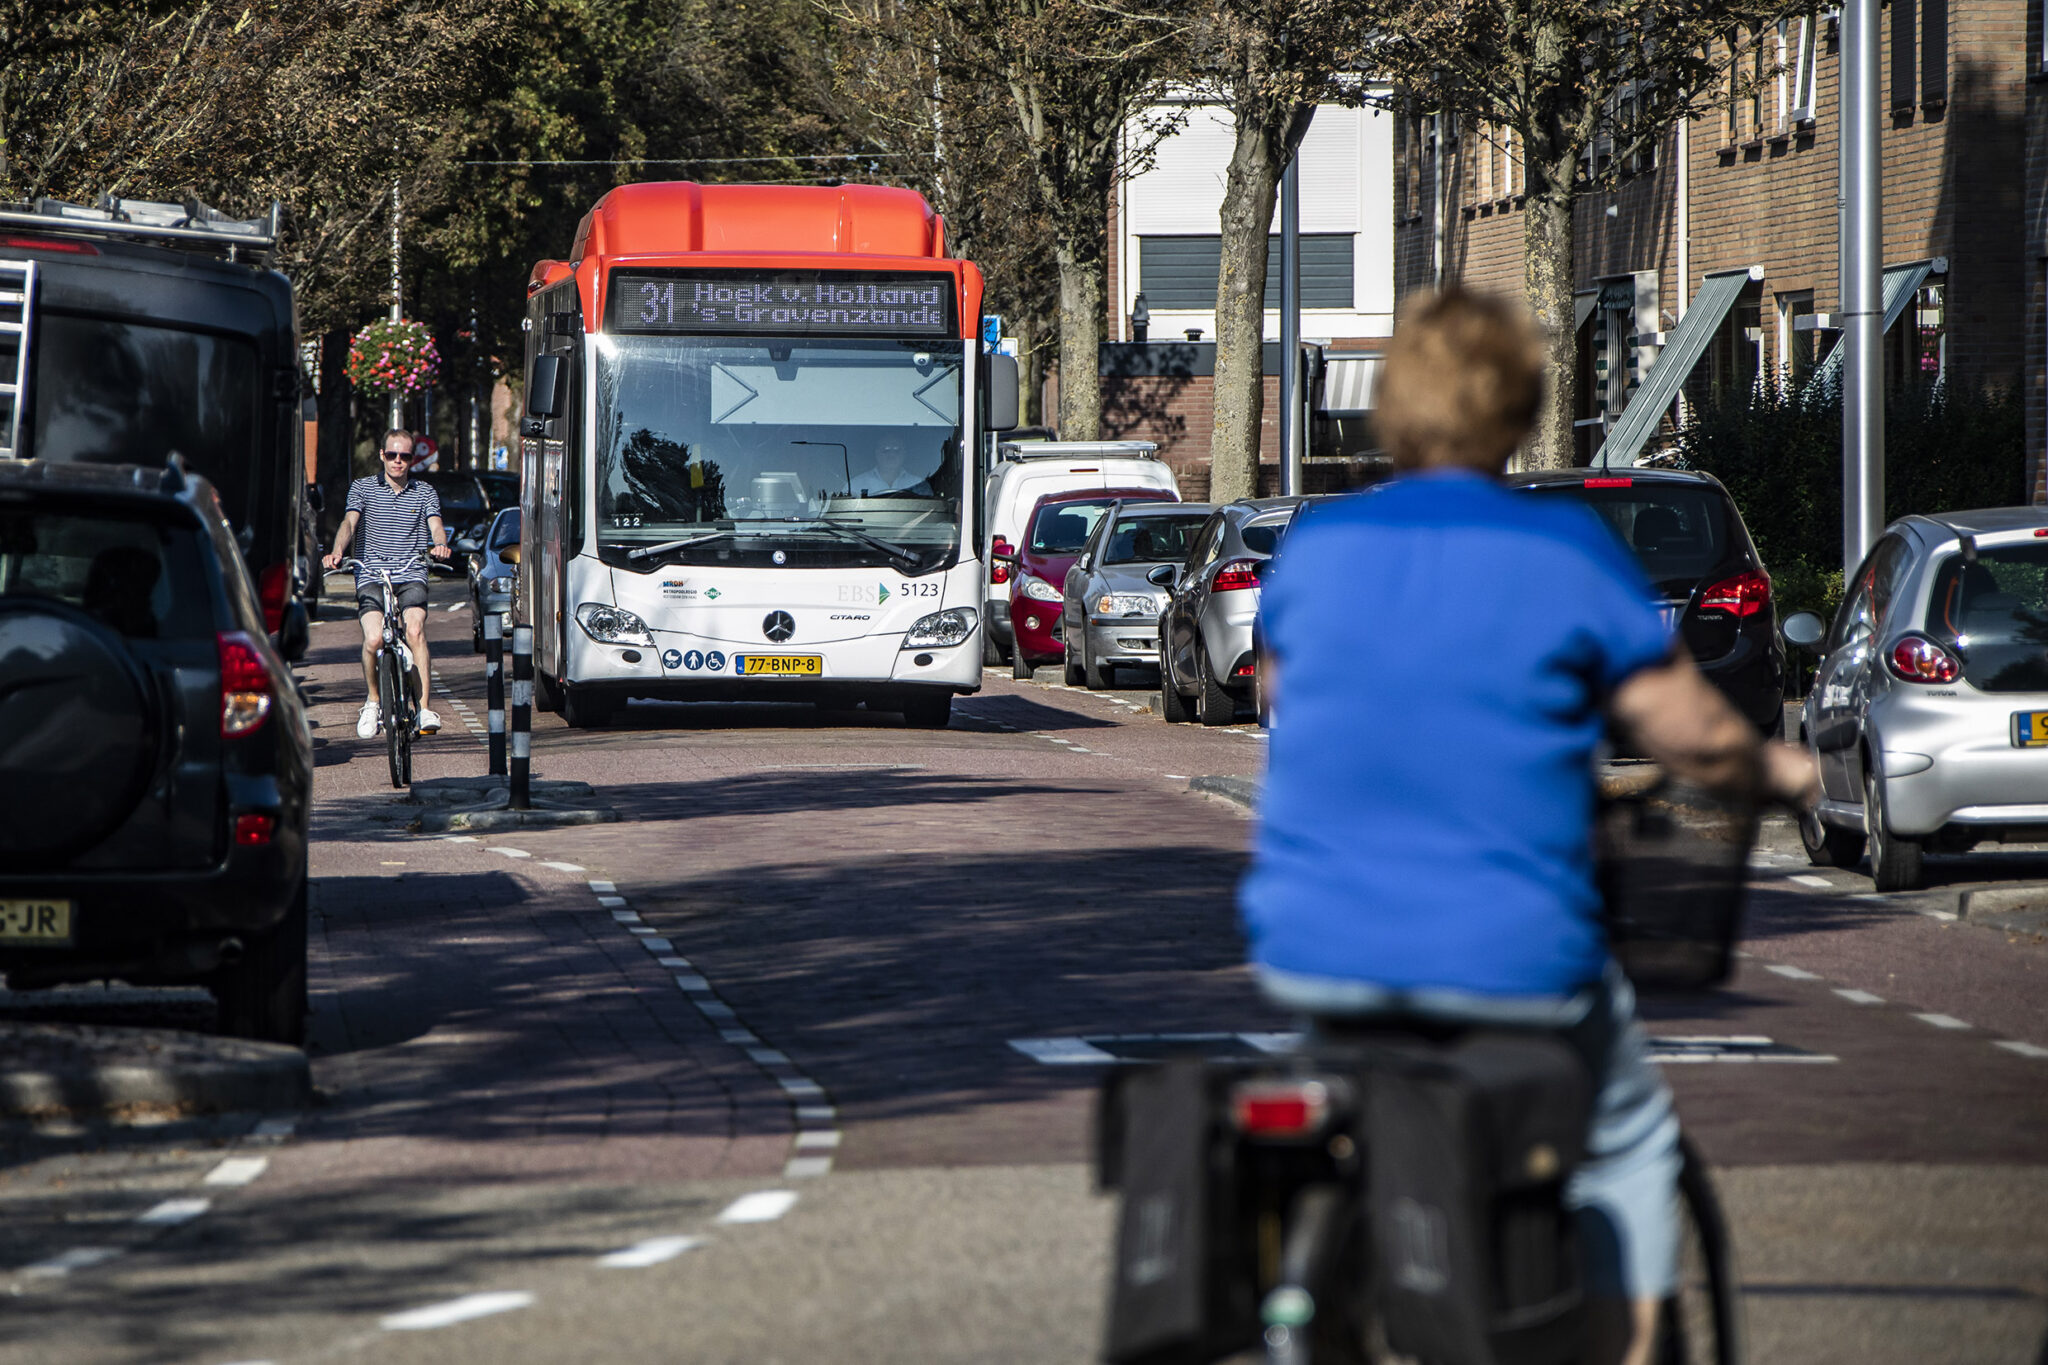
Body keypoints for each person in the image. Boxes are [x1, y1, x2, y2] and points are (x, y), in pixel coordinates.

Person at [1242, 289, 1816, 1365]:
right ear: (1519, 405)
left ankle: (1304, 1297)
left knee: (1331, 1107)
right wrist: (1777, 766)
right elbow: (1689, 733)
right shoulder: (1559, 550)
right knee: (1625, 1138)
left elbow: (1284, 692)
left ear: (1391, 408)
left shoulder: (1318, 550)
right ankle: (1630, 1348)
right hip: (1509, 954)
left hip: (1317, 946)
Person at [323, 429, 452, 739]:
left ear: (412, 458)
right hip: (371, 573)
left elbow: (436, 525)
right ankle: (373, 701)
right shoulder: (362, 488)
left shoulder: (424, 492)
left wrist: (440, 545)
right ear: (381, 455)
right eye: (392, 455)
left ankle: (423, 709)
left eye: (405, 456)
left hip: (410, 572)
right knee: (373, 639)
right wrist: (338, 551)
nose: (398, 461)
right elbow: (349, 522)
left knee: (415, 629)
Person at [846, 433, 934, 497]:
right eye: (886, 450)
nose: (891, 455)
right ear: (876, 453)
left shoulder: (919, 485)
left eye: (897, 450)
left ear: (904, 454)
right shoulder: (854, 485)